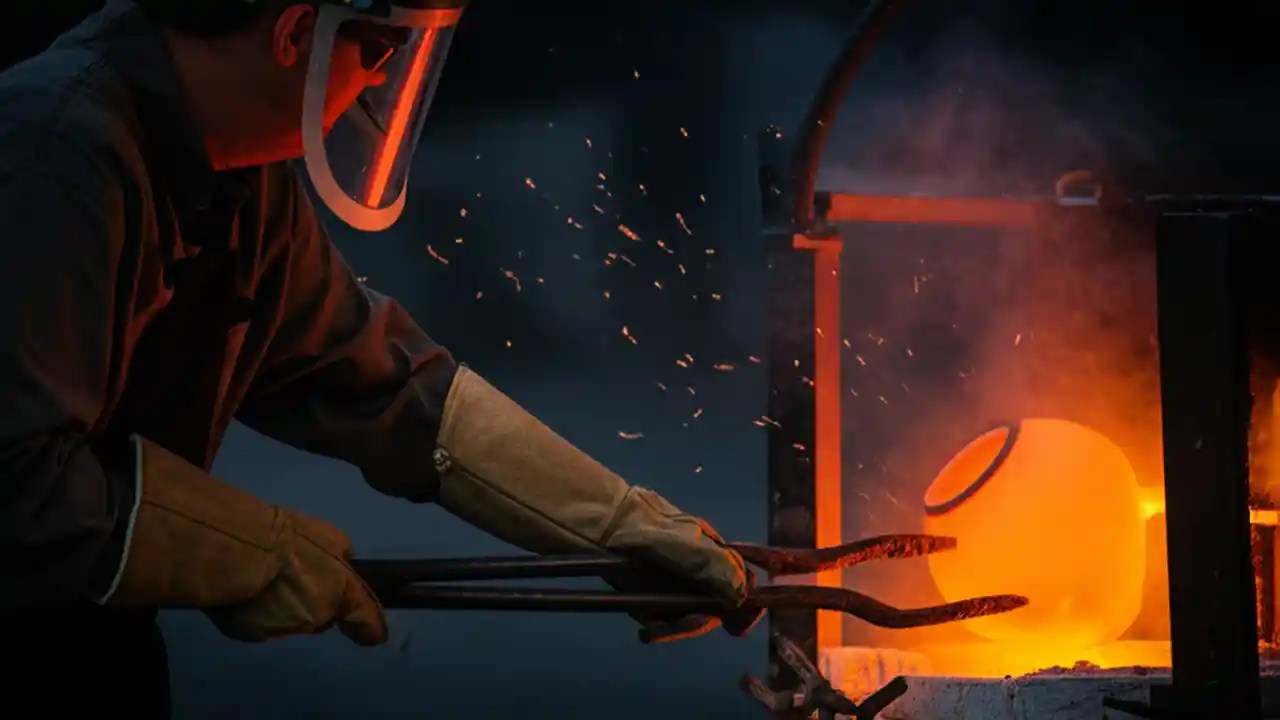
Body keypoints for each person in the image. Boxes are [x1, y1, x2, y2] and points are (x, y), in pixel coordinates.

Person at [0, 0, 758, 712]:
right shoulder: (54, 154)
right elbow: (14, 477)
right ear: (296, 30)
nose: (380, 80)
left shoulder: (229, 168)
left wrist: (614, 523)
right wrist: (248, 553)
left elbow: (383, 384)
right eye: (382, 49)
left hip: (88, 640)